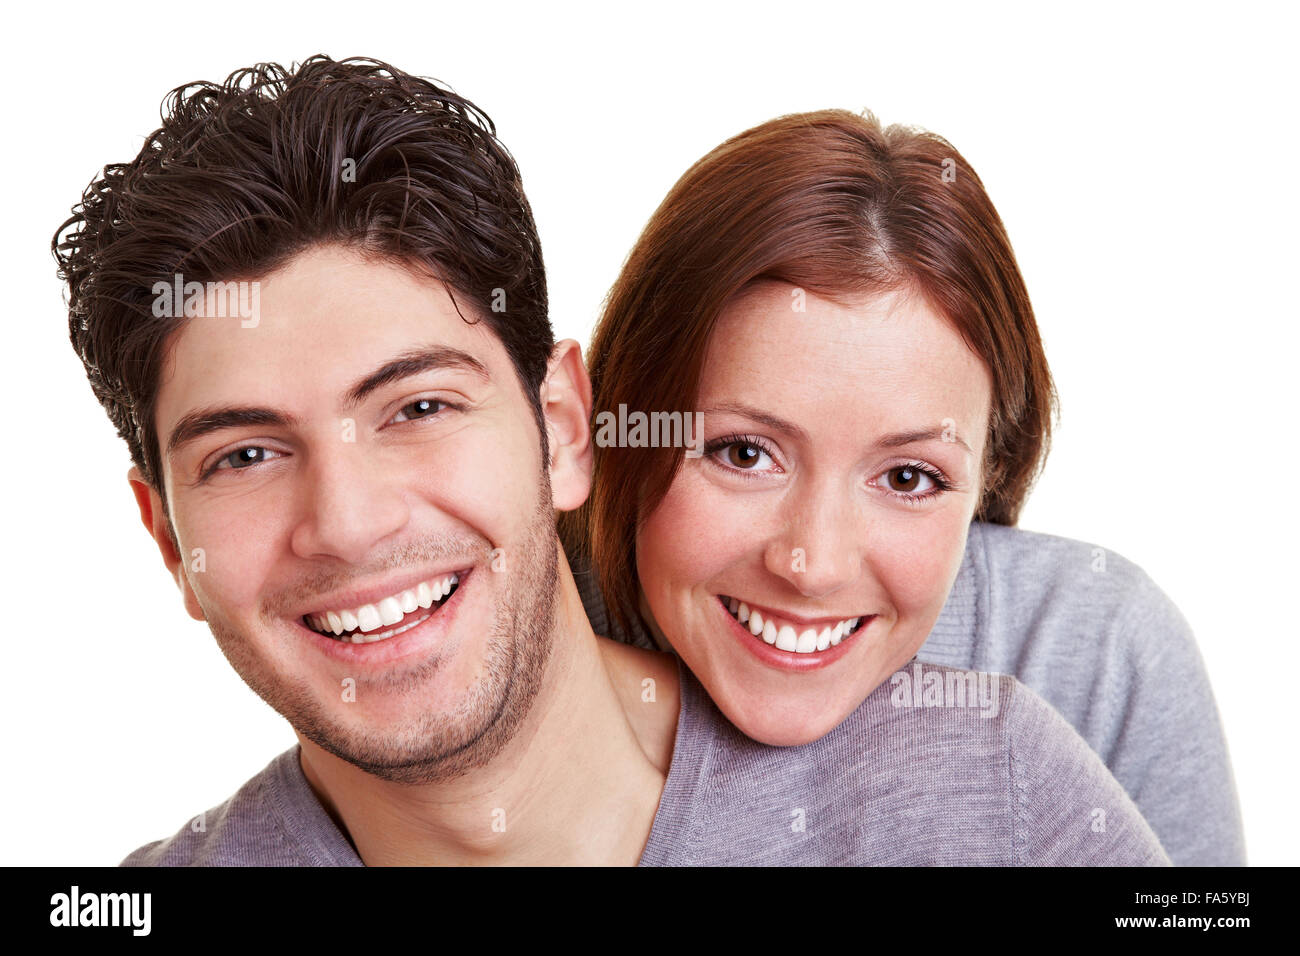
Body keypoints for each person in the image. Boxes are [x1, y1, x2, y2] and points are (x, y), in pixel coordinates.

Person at [54, 55, 1169, 865]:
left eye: (418, 405)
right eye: (246, 453)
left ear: (563, 430)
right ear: (168, 538)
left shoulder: (988, 794)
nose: (345, 521)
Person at [561, 108, 1244, 866]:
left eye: (909, 477)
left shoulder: (1100, 651)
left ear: (992, 467)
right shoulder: (534, 626)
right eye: (743, 454)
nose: (812, 564)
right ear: (611, 428)